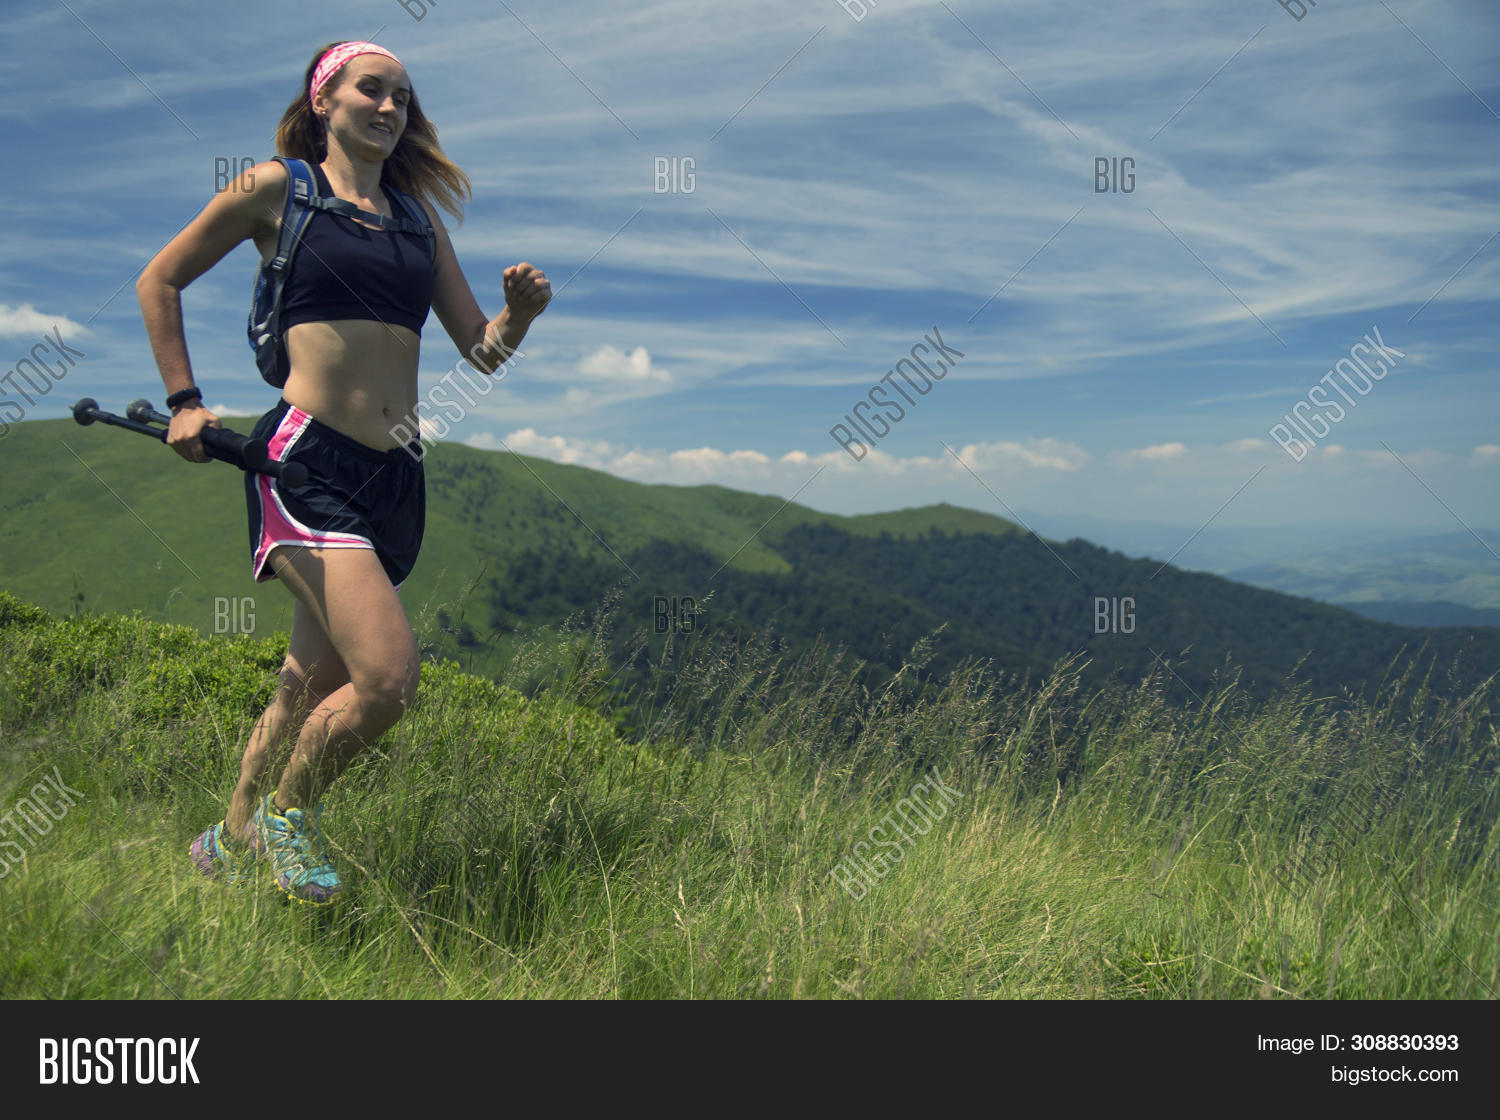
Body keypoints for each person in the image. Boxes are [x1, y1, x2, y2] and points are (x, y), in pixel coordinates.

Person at [138, 40, 550, 904]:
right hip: (306, 462)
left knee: (307, 687)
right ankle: (288, 818)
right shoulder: (278, 190)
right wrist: (184, 400)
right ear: (323, 100)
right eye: (372, 89)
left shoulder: (416, 222)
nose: (391, 107)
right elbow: (160, 280)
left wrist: (517, 316)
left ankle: (225, 847)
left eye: (403, 97)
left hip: (394, 477)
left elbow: (480, 352)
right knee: (387, 680)